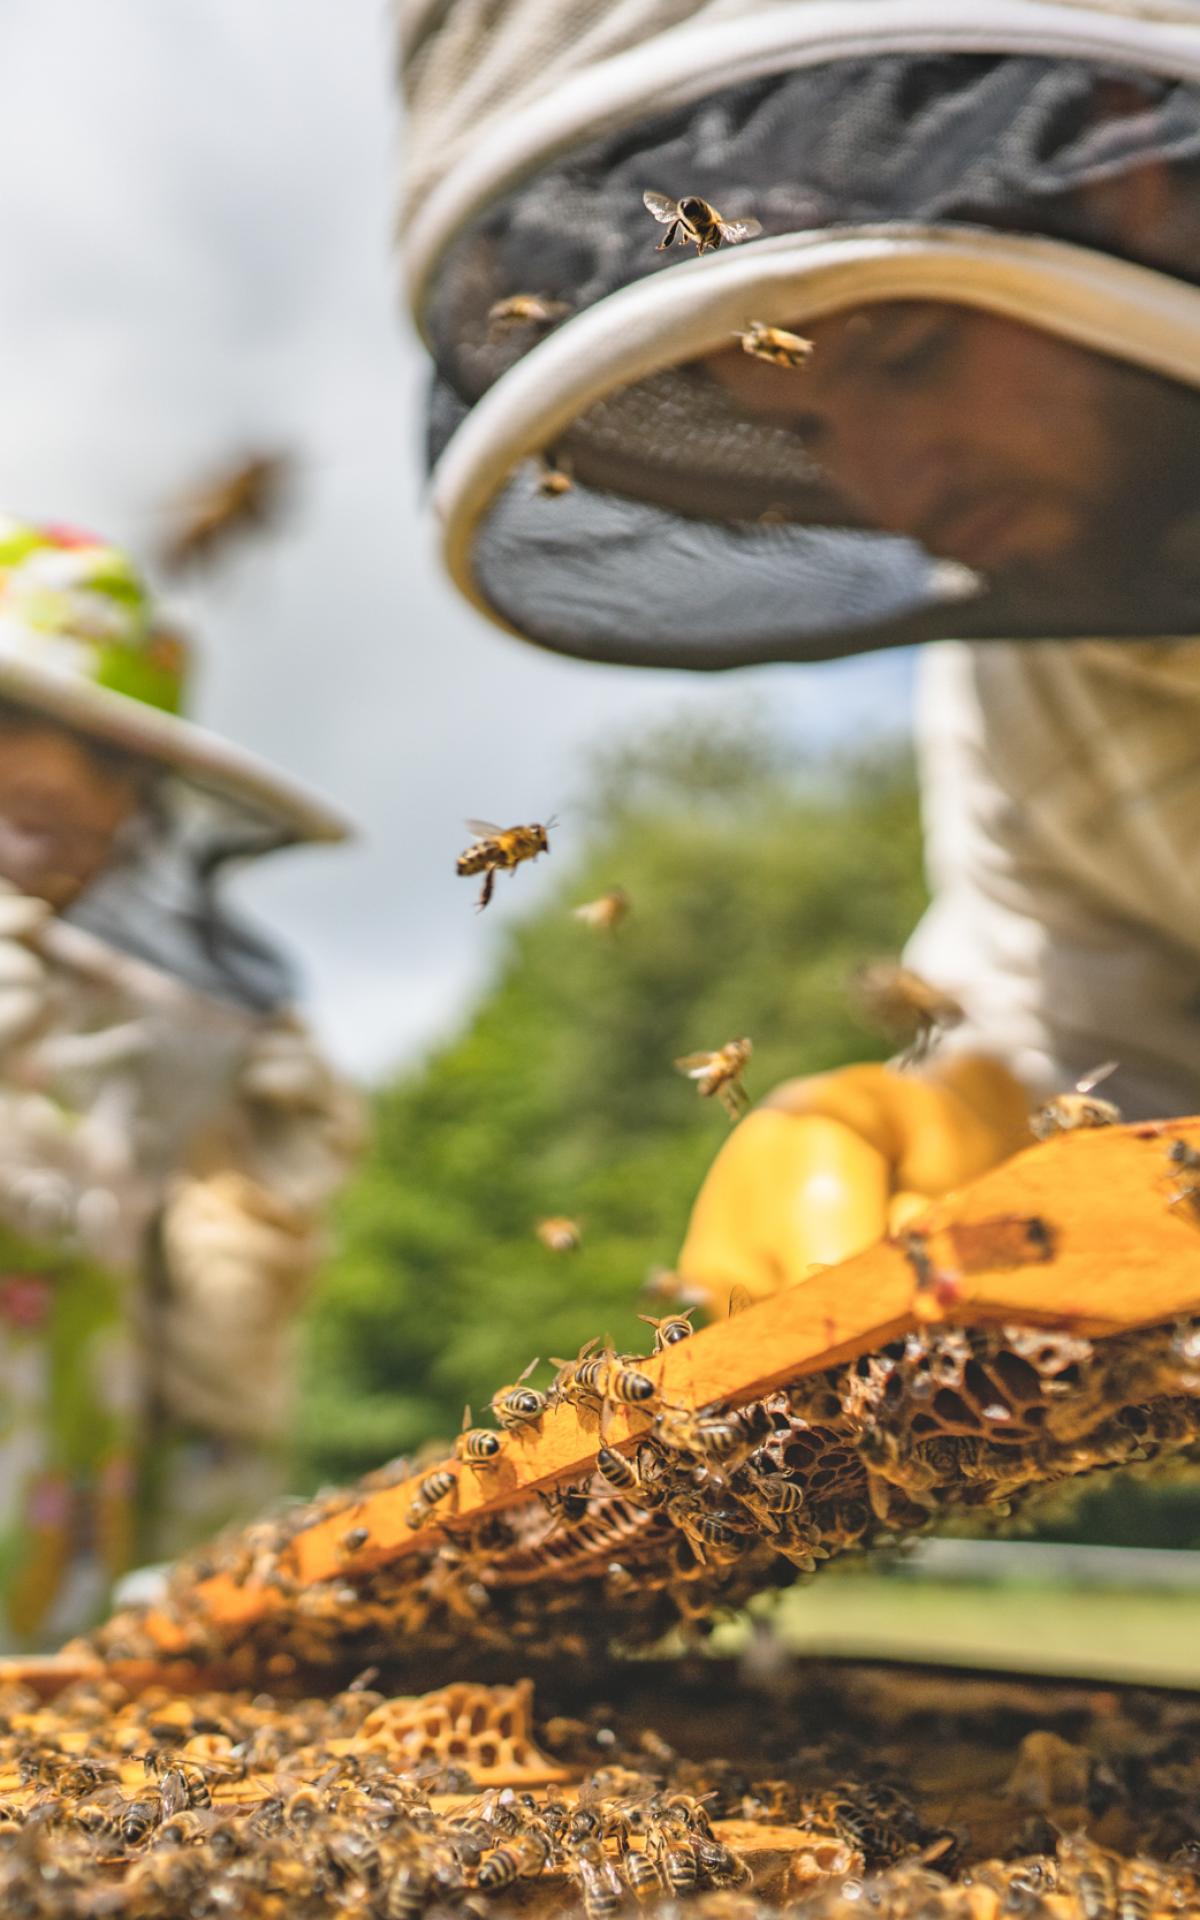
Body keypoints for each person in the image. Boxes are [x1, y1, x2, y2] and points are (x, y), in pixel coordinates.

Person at [399, 9, 1200, 1315]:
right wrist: (962, 1115)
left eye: (910, 355)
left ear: (1126, 157)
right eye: (810, 430)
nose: (893, 489)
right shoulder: (1037, 665)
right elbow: (1095, 1046)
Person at [0, 517, 359, 1646]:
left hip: (53, 1649)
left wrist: (242, 1264)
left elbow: (178, 1432)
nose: (54, 776)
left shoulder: (132, 1066)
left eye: (104, 756)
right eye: (11, 722)